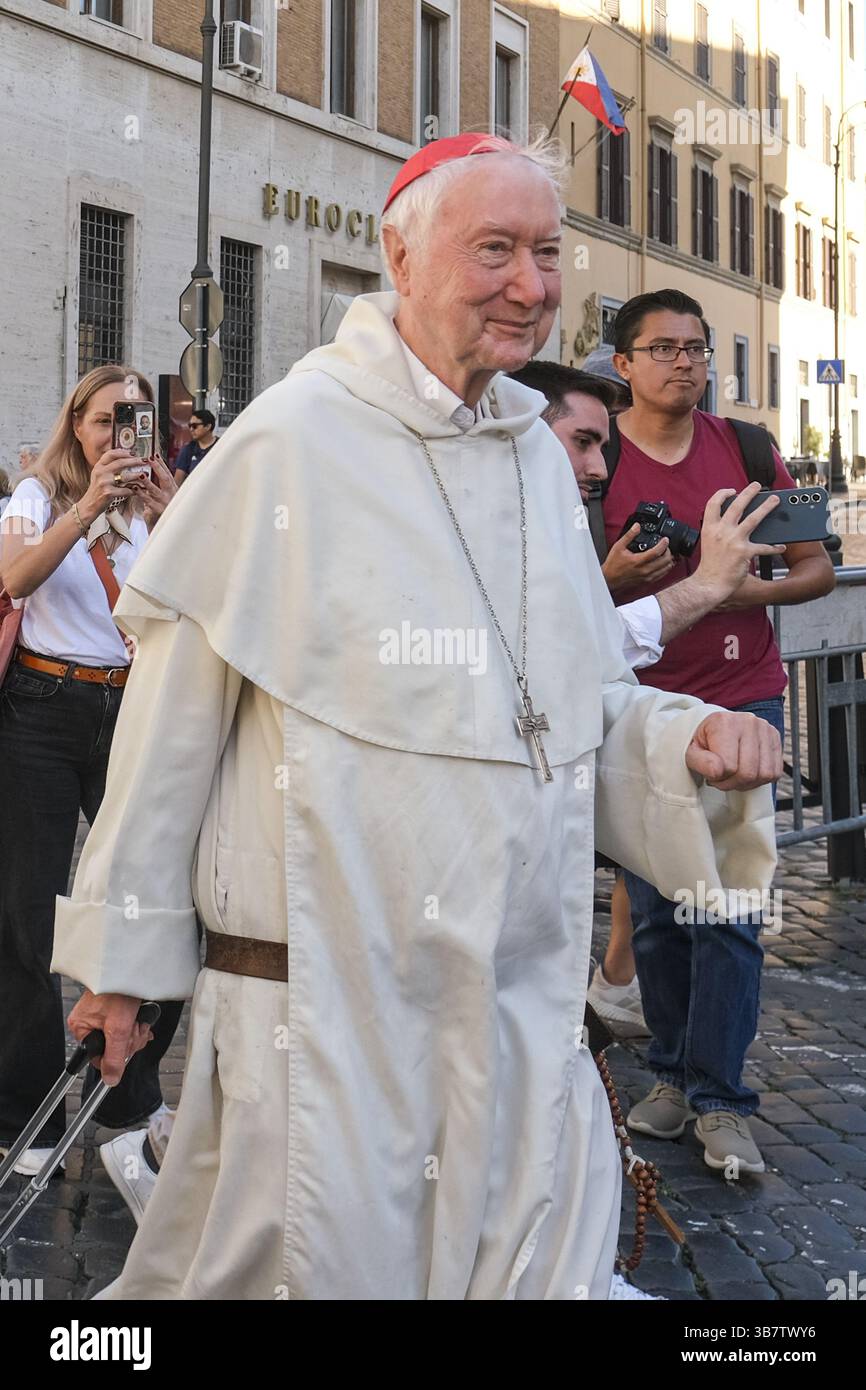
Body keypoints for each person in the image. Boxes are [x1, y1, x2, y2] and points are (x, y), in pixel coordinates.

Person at [54, 134, 780, 1301]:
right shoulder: (293, 440)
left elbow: (568, 705)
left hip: (518, 1012)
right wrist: (119, 969)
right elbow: (168, 732)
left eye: (545, 253)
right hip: (334, 1015)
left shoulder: (537, 463)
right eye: (492, 249)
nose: (530, 285)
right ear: (399, 253)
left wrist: (677, 740)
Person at [601, 288, 835, 1173]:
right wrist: (619, 576)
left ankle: (721, 1096)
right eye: (662, 348)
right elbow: (562, 594)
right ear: (624, 366)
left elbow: (815, 570)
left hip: (745, 700)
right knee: (659, 912)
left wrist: (742, 592)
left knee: (730, 908)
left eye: (696, 347)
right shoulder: (595, 460)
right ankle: (668, 1073)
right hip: (639, 710)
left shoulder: (746, 448)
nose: (686, 362)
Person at [510, 360, 786, 1038]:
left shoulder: (554, 527)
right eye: (581, 442)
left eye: (603, 447)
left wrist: (682, 733)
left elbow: (585, 653)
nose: (600, 468)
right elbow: (567, 652)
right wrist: (703, 585)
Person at [0, 366, 177, 1176]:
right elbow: (14, 579)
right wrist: (85, 509)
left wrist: (169, 510)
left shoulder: (154, 508)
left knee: (139, 907)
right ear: (77, 424)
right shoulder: (38, 496)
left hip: (128, 710)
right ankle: (28, 1114)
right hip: (42, 704)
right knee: (28, 916)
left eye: (134, 419)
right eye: (106, 419)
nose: (118, 434)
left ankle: (126, 1102)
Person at [172, 409, 218, 486]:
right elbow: (177, 482)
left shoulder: (220, 447)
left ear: (208, 426)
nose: (191, 429)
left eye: (194, 426)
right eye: (189, 426)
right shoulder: (187, 450)